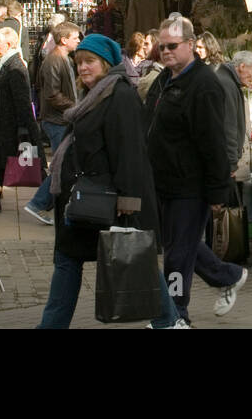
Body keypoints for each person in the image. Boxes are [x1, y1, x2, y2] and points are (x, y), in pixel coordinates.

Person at [37, 34, 179, 329]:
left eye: (90, 62)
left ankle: (168, 321)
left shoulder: (119, 95)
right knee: (70, 260)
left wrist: (128, 203)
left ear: (106, 63)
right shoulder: (94, 96)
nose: (83, 68)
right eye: (79, 63)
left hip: (105, 201)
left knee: (134, 260)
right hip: (84, 199)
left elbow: (130, 153)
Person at [146, 17, 247, 323]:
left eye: (172, 46)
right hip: (163, 181)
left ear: (191, 45)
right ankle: (228, 275)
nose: (165, 51)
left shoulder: (204, 84)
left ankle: (176, 314)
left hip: (190, 186)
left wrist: (218, 191)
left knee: (177, 255)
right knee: (181, 245)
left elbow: (213, 142)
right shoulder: (165, 78)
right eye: (161, 46)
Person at [24, 21, 81, 224]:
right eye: (75, 37)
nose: (78, 41)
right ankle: (38, 203)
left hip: (60, 119)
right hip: (56, 121)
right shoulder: (54, 61)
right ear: (64, 39)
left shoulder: (63, 59)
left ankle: (45, 203)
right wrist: (74, 106)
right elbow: (51, 95)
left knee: (63, 164)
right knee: (60, 165)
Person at [0, 25, 44, 204]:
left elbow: (22, 101)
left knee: (32, 165)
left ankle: (45, 199)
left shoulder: (15, 67)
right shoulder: (8, 64)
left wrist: (25, 127)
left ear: (9, 43)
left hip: (13, 125)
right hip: (8, 124)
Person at [215, 50, 252, 178]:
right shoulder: (227, 84)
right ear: (242, 66)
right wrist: (231, 163)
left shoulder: (228, 81)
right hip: (222, 162)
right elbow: (229, 127)